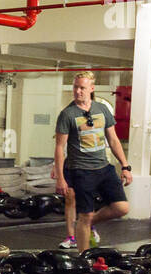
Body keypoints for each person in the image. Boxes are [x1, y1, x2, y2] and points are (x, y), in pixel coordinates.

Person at [53, 71, 132, 251]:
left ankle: (88, 222)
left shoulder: (102, 109)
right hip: (81, 171)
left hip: (104, 168)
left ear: (91, 88)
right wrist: (60, 177)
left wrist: (125, 166)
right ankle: (84, 258)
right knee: (85, 214)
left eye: (82, 87)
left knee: (122, 208)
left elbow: (113, 140)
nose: (78, 91)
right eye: (75, 87)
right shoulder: (67, 114)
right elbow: (59, 147)